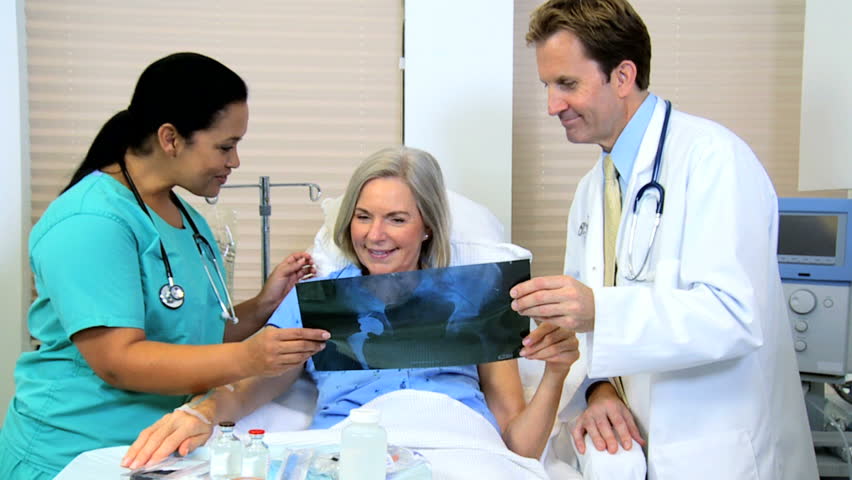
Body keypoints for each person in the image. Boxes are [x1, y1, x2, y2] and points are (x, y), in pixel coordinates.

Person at [509, 1, 819, 479]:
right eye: (547, 86)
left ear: (623, 75)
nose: (553, 105)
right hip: (635, 448)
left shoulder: (713, 160)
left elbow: (735, 315)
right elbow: (589, 336)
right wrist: (598, 389)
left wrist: (598, 310)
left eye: (567, 84)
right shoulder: (593, 190)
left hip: (718, 452)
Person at [121, 146, 580, 468]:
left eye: (396, 219)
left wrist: (556, 373)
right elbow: (248, 389)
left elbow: (520, 447)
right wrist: (198, 414)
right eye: (363, 216)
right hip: (350, 451)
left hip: (459, 448)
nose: (374, 235)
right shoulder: (317, 300)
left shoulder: (474, 300)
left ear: (427, 227)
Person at [0, 52, 329, 480]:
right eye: (225, 146)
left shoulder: (185, 218)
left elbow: (193, 336)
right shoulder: (90, 221)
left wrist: (264, 304)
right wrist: (249, 359)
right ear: (170, 138)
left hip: (157, 451)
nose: (235, 161)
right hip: (73, 453)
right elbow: (118, 360)